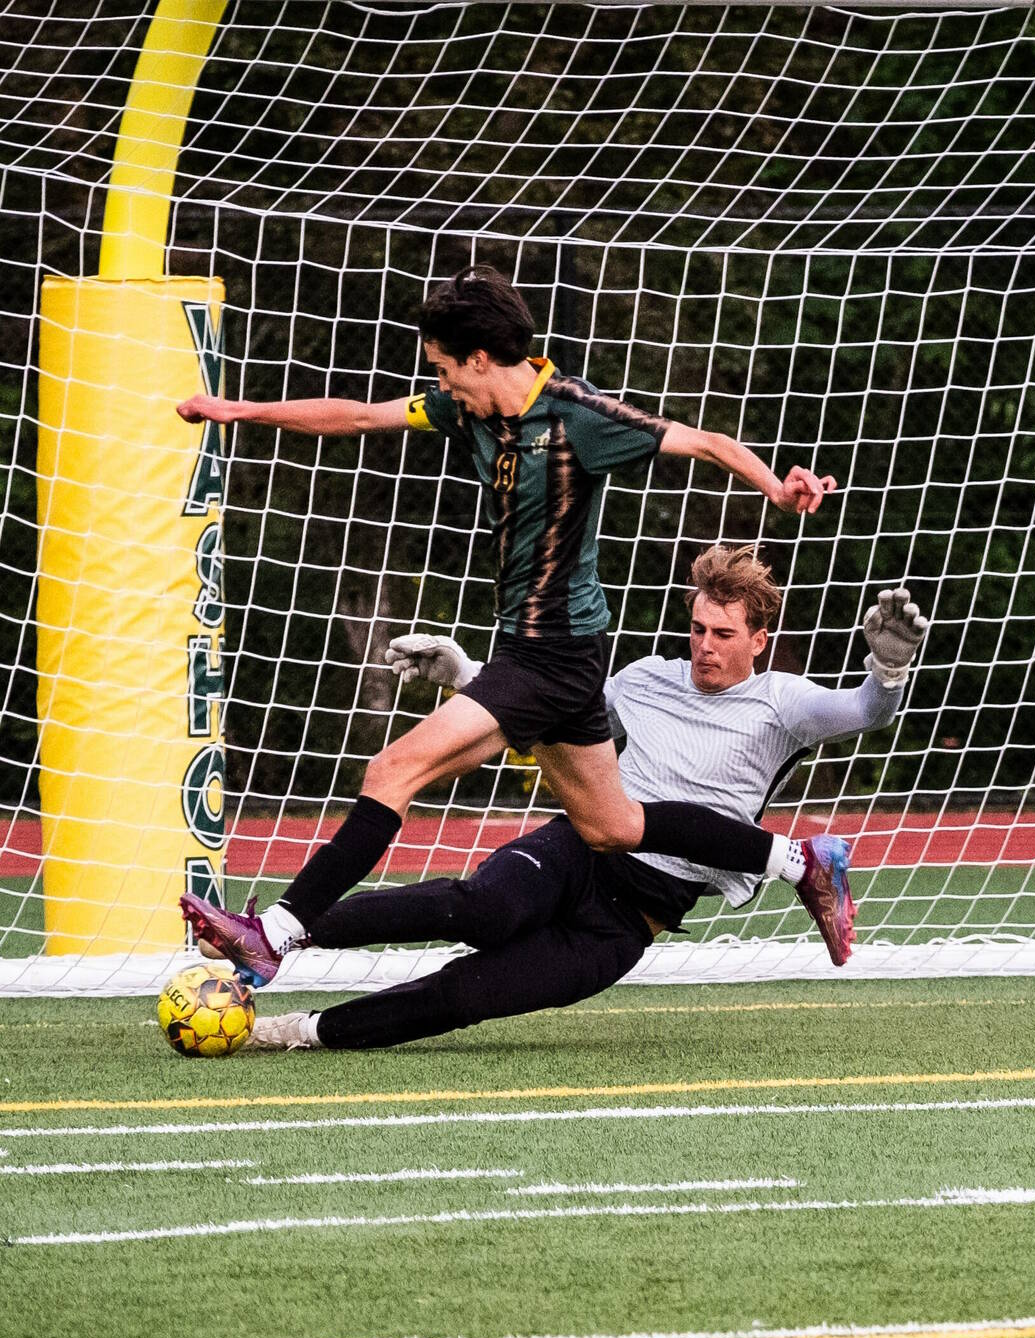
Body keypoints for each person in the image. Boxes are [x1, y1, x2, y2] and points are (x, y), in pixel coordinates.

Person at [174, 266, 846, 979]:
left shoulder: (575, 415)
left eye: (442, 367)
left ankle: (273, 934)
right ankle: (797, 860)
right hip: (549, 652)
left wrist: (777, 485)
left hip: (549, 657)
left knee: (393, 768)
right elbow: (362, 415)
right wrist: (239, 412)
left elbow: (705, 441)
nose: (440, 381)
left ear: (481, 357)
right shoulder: (469, 410)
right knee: (612, 825)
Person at [209, 545, 930, 1050]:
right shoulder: (648, 677)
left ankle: (302, 1030)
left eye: (724, 633)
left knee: (469, 995)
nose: (706, 645)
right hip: (579, 848)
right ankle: (282, 932)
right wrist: (466, 672)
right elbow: (556, 716)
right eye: (698, 628)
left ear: (760, 640)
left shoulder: (785, 703)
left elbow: (865, 711)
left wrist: (889, 670)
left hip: (633, 920)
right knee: (483, 908)